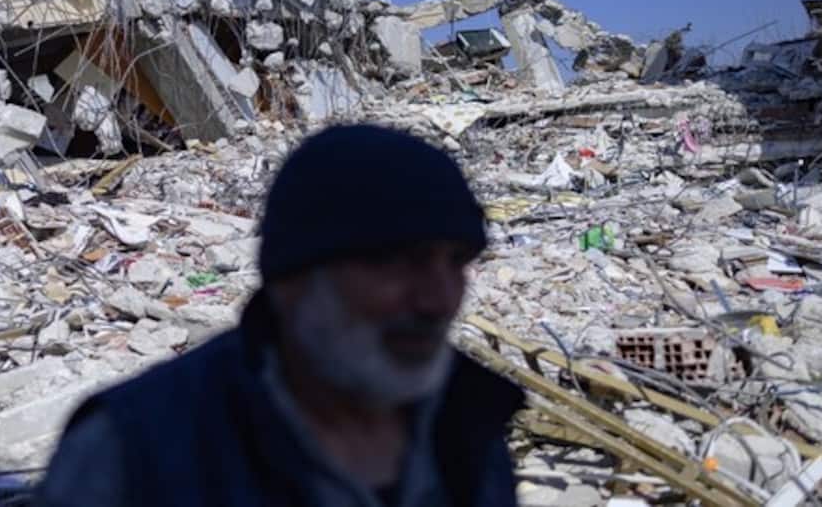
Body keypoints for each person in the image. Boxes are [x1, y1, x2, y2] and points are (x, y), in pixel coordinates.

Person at [34, 124, 524, 507]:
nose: (438, 299)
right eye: (398, 262)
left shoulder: (469, 417)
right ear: (294, 279)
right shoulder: (133, 453)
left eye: (457, 261)